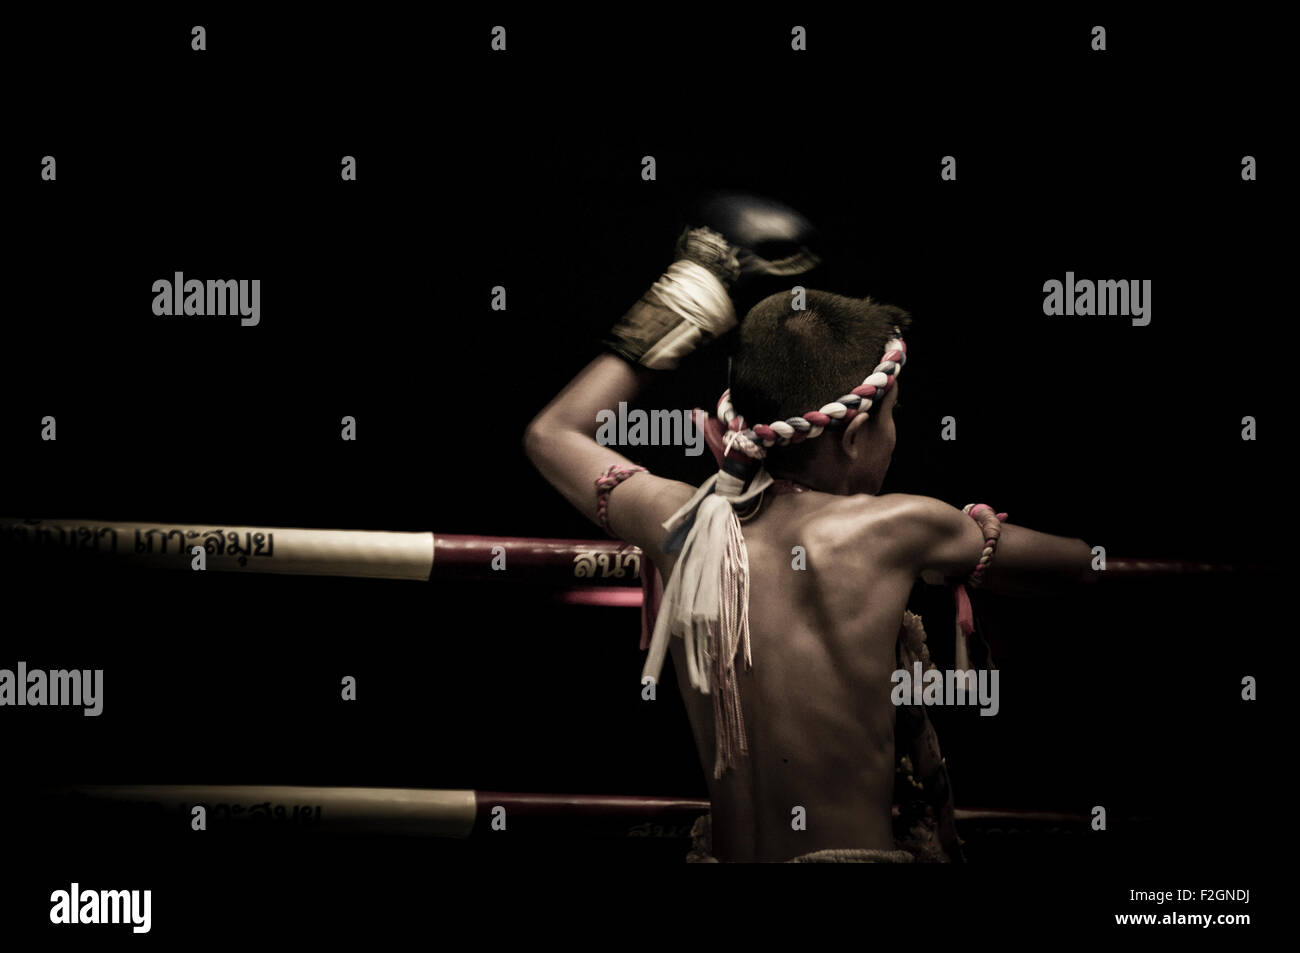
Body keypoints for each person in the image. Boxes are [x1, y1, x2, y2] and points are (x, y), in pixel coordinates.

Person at [524, 194, 1095, 862]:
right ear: (854, 432)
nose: (895, 433)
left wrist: (683, 302)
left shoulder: (678, 519)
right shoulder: (903, 527)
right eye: (891, 416)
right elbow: (1078, 563)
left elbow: (552, 432)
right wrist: (975, 529)